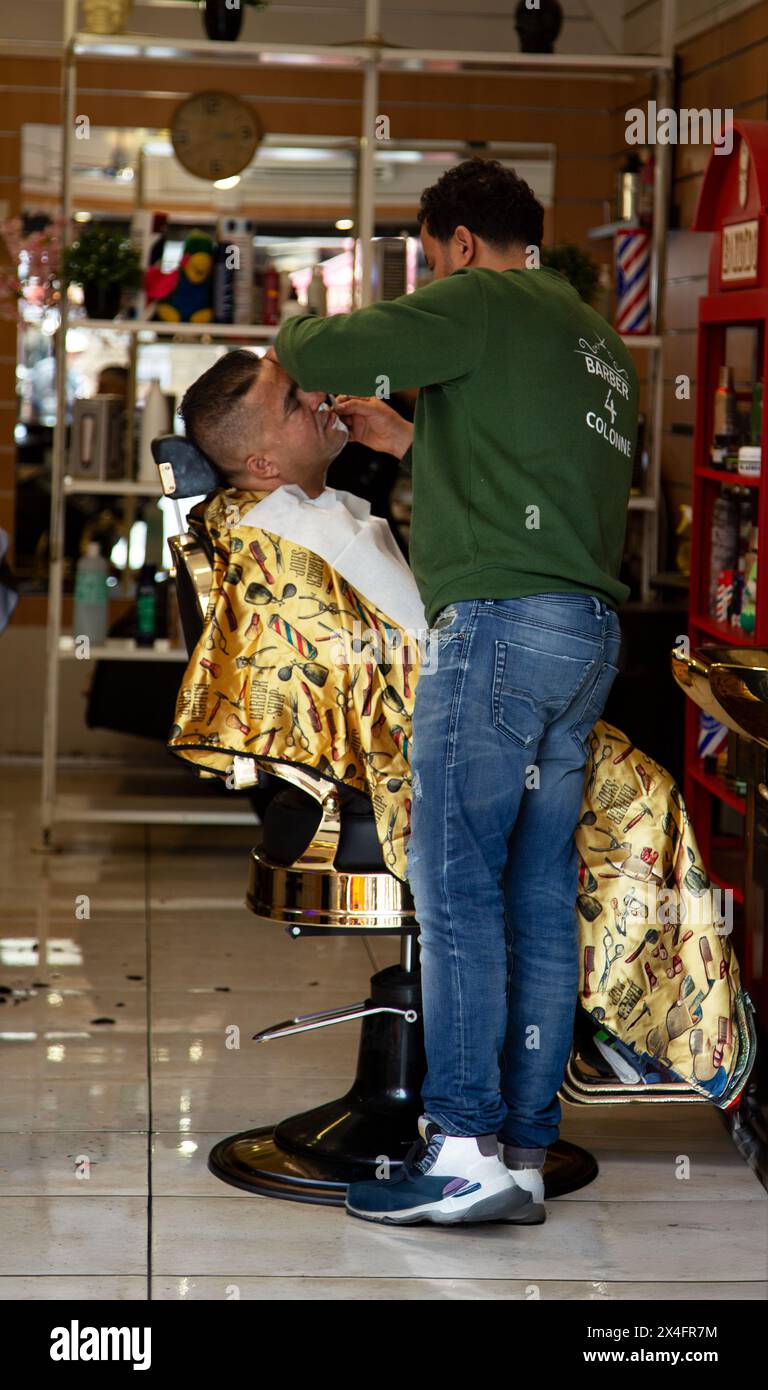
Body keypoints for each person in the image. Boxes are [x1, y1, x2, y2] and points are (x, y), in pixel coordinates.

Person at [269, 157, 641, 1226]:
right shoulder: (595, 339)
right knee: (533, 895)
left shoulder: (479, 299)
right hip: (582, 635)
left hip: (496, 631)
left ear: (460, 245)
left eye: (432, 258)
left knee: (457, 887)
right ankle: (523, 1151)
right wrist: (416, 441)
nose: (436, 276)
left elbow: (318, 349)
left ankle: (463, 1141)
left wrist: (310, 337)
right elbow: (537, 478)